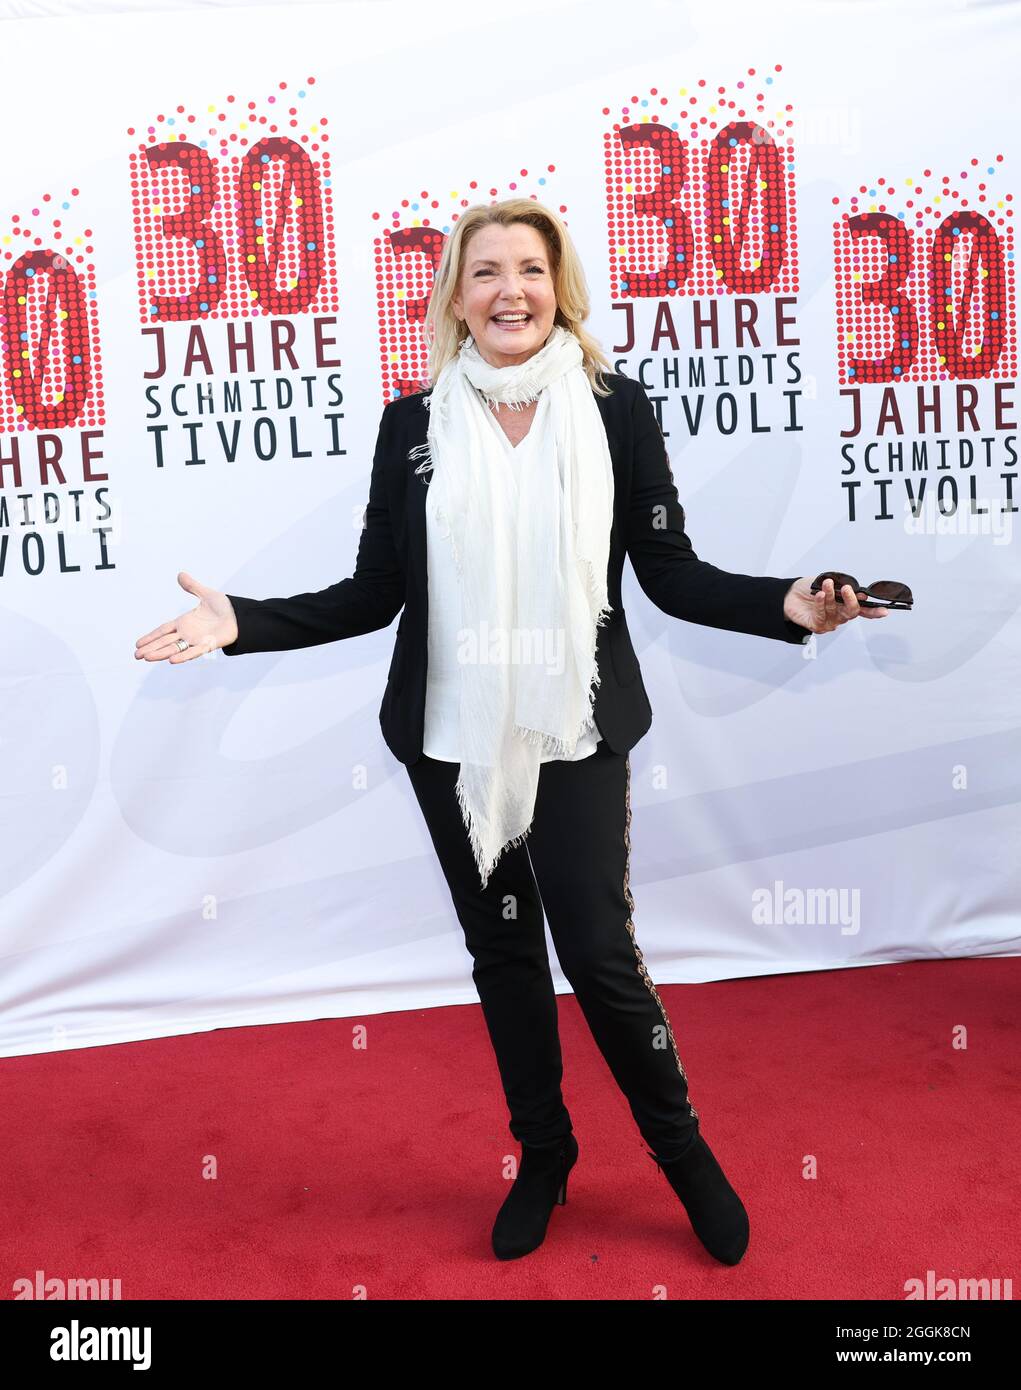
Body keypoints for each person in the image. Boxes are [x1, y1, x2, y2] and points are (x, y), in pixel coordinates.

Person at [134, 198, 892, 1266]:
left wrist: (792, 603)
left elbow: (671, 575)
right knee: (502, 952)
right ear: (456, 295)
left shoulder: (614, 410)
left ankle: (680, 1152)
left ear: (557, 285)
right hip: (450, 737)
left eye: (529, 269)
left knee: (596, 950)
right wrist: (241, 623)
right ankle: (543, 1152)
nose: (509, 291)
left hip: (570, 726)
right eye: (484, 271)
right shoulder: (413, 427)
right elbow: (375, 592)